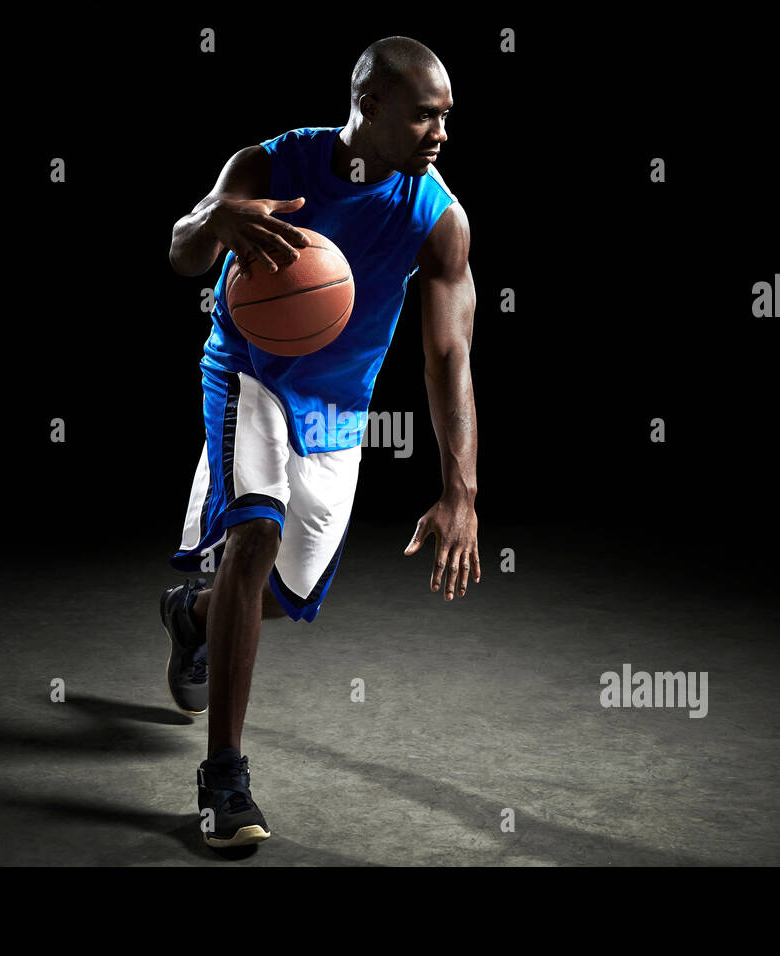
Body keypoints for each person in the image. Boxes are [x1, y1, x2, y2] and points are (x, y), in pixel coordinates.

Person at [163, 35, 479, 849]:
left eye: (446, 117)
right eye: (424, 117)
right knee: (254, 534)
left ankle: (194, 615)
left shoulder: (438, 218)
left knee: (287, 594)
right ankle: (223, 782)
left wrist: (460, 492)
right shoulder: (270, 167)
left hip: (339, 411)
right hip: (250, 373)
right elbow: (181, 250)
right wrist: (214, 220)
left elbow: (447, 354)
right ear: (370, 106)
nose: (441, 133)